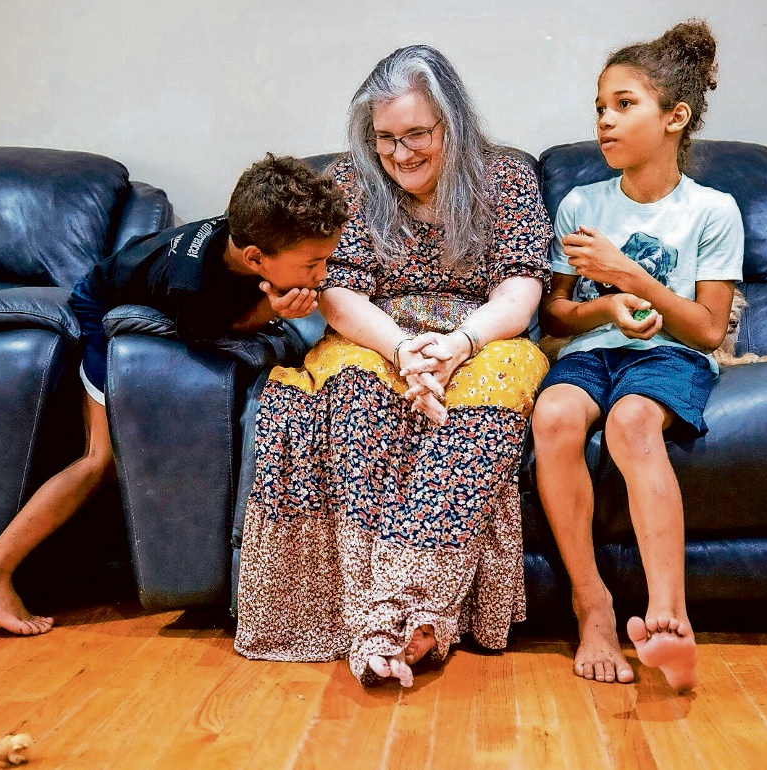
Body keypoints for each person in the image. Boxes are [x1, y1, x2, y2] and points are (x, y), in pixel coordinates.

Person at [234, 45, 552, 687]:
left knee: (485, 400)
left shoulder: (507, 177)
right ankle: (369, 620)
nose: (401, 154)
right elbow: (340, 294)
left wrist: (457, 344)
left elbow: (520, 294)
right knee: (352, 394)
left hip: (481, 336)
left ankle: (415, 615)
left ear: (451, 125)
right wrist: (404, 352)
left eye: (416, 135)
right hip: (376, 335)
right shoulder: (350, 186)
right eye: (385, 139)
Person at [0, 154, 349, 635]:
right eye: (315, 263)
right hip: (98, 306)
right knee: (99, 459)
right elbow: (228, 325)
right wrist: (274, 309)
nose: (325, 272)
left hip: (155, 275)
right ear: (255, 259)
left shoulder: (248, 232)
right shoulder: (191, 287)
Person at [532, 20, 742, 692]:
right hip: (592, 352)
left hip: (668, 354)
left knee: (630, 424)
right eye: (599, 105)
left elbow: (707, 330)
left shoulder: (712, 211)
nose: (604, 120)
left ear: (674, 117)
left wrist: (632, 278)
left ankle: (667, 617)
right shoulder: (579, 204)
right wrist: (602, 308)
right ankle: (591, 606)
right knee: (555, 417)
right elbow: (555, 314)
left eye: (624, 104)